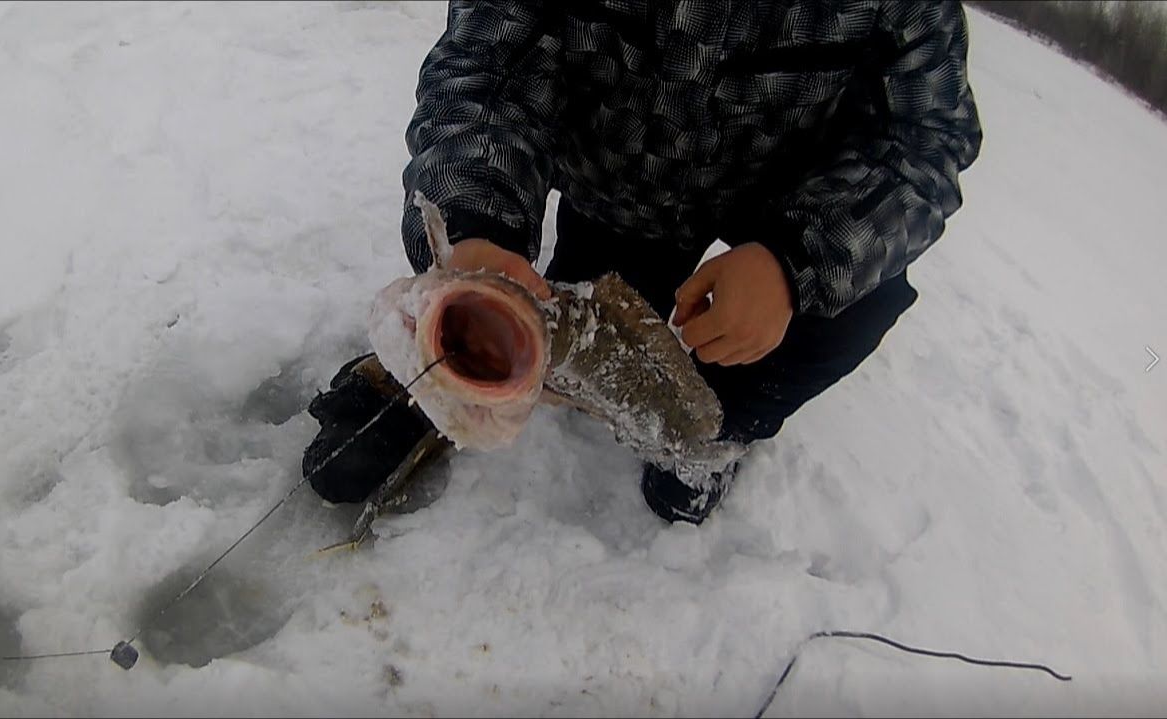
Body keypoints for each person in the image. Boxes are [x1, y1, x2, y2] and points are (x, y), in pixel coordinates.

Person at [304, 0, 982, 525]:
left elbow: (925, 139)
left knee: (854, 295)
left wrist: (794, 261)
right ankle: (438, 371)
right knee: (556, 317)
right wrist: (477, 232)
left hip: (784, 200)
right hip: (625, 190)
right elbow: (485, 65)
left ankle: (711, 437)